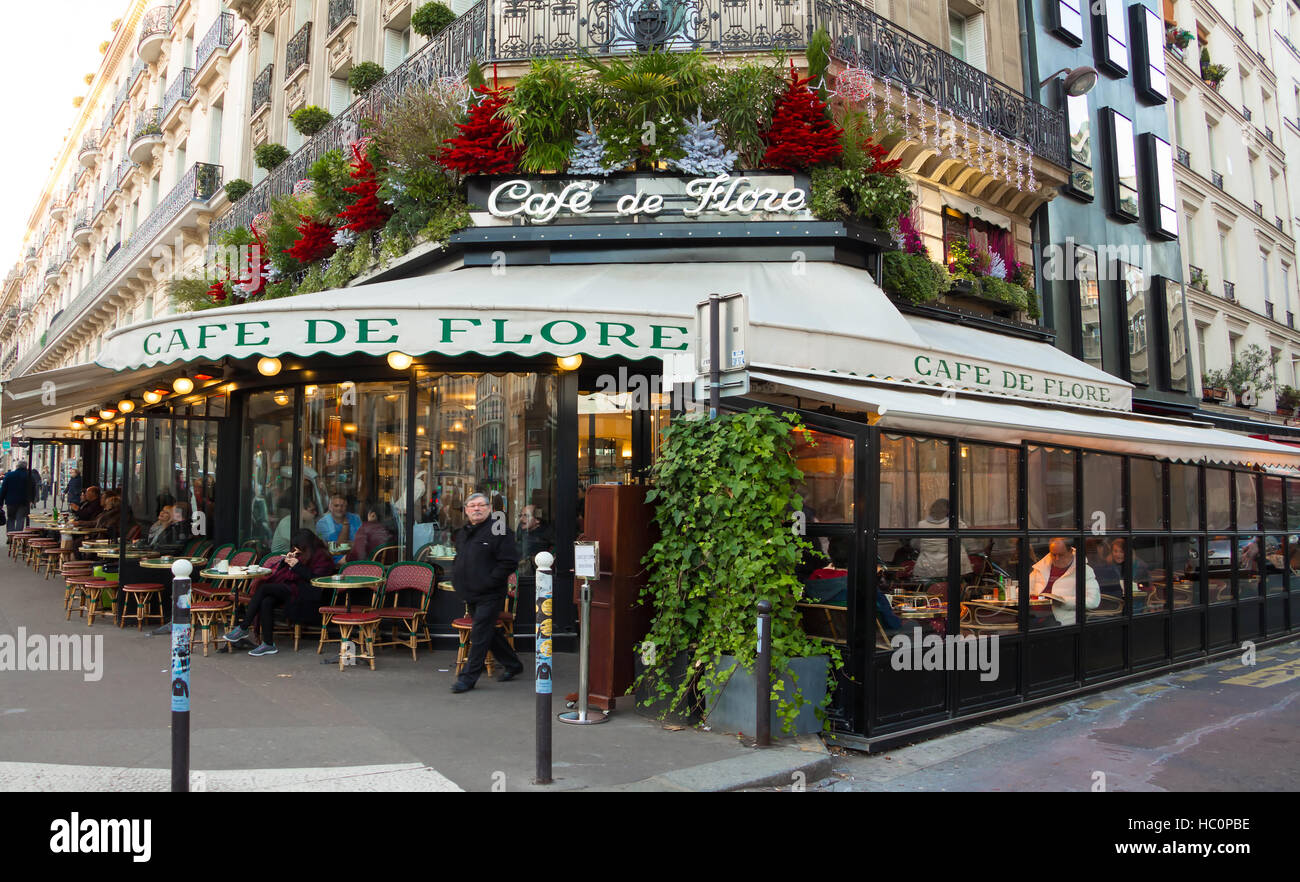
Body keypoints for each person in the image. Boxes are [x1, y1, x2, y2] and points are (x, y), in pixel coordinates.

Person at [450, 492, 524, 692]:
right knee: (488, 632)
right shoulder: (464, 532)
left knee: (480, 634)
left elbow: (509, 561)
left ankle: (467, 679)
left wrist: (490, 581)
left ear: (489, 508)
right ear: (466, 510)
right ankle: (513, 664)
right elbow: (461, 558)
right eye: (472, 505)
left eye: (481, 505)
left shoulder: (498, 530)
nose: (476, 509)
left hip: (490, 594)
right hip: (470, 593)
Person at [223, 529, 335, 657]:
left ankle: (243, 627)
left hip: (307, 593)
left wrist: (297, 566)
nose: (297, 550)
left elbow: (316, 580)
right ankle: (268, 644)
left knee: (264, 589)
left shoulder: (322, 556)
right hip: (293, 588)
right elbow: (289, 573)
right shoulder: (303, 553)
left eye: (299, 547)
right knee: (266, 601)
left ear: (307, 545)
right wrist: (287, 562)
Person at [1028, 537, 1101, 626]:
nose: (1057, 558)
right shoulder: (1041, 567)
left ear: (1070, 551)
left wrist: (1064, 601)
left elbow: (1093, 601)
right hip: (1032, 616)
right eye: (1053, 554)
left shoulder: (1083, 570)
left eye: (1061, 555)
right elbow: (1024, 589)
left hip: (1059, 621)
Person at [0, 460, 34, 533]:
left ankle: (10, 536)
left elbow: (3, 490)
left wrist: (1, 502)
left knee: (11, 518)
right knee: (20, 519)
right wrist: (32, 500)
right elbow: (33, 489)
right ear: (26, 467)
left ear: (17, 466)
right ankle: (17, 537)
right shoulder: (29, 476)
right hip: (24, 501)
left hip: (10, 501)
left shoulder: (9, 475)